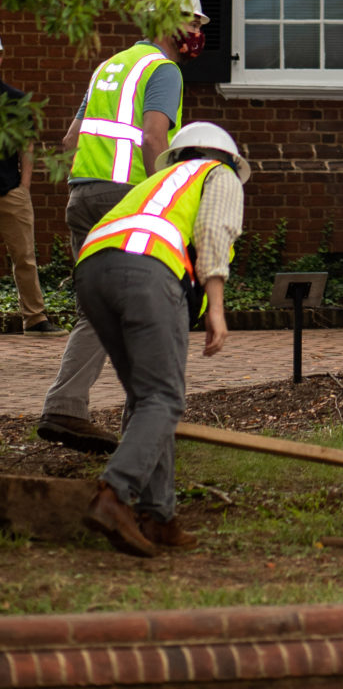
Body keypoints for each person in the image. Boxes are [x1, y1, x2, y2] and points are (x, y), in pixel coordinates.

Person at [39, 0, 207, 452]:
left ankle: (67, 408)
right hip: (126, 199)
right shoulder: (163, 70)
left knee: (97, 307)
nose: (197, 32)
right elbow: (154, 137)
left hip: (82, 196)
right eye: (192, 22)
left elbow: (71, 139)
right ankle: (144, 422)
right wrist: (166, 200)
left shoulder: (108, 67)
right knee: (149, 308)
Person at [74, 119, 248, 557]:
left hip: (92, 270)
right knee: (163, 397)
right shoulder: (219, 173)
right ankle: (114, 494)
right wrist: (217, 308)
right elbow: (213, 230)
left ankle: (159, 516)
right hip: (148, 270)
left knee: (146, 397)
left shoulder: (155, 183)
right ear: (226, 157)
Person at [0, 36, 52, 333]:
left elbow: (27, 145)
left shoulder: (15, 99)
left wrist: (25, 185)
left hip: (10, 190)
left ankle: (35, 319)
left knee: (25, 258)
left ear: (1, 58)